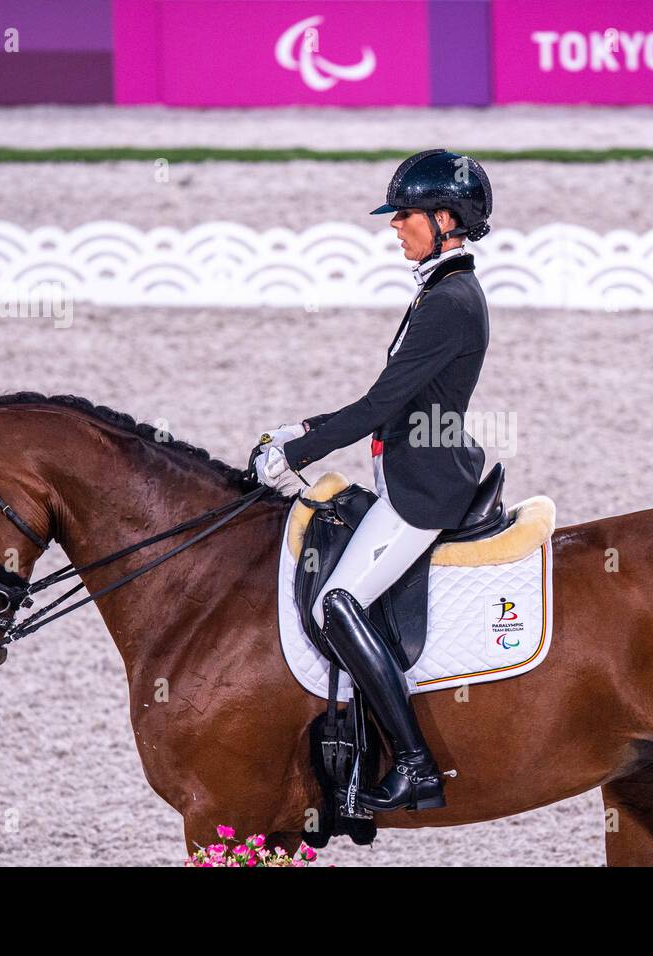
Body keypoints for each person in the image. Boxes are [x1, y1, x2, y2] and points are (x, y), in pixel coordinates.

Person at [253, 149, 492, 813]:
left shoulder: (449, 302)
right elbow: (386, 398)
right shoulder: (442, 289)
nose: (396, 226)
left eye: (406, 215)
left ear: (447, 218)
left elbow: (379, 407)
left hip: (424, 492)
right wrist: (302, 425)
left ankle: (415, 765)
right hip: (417, 473)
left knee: (336, 602)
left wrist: (297, 450)